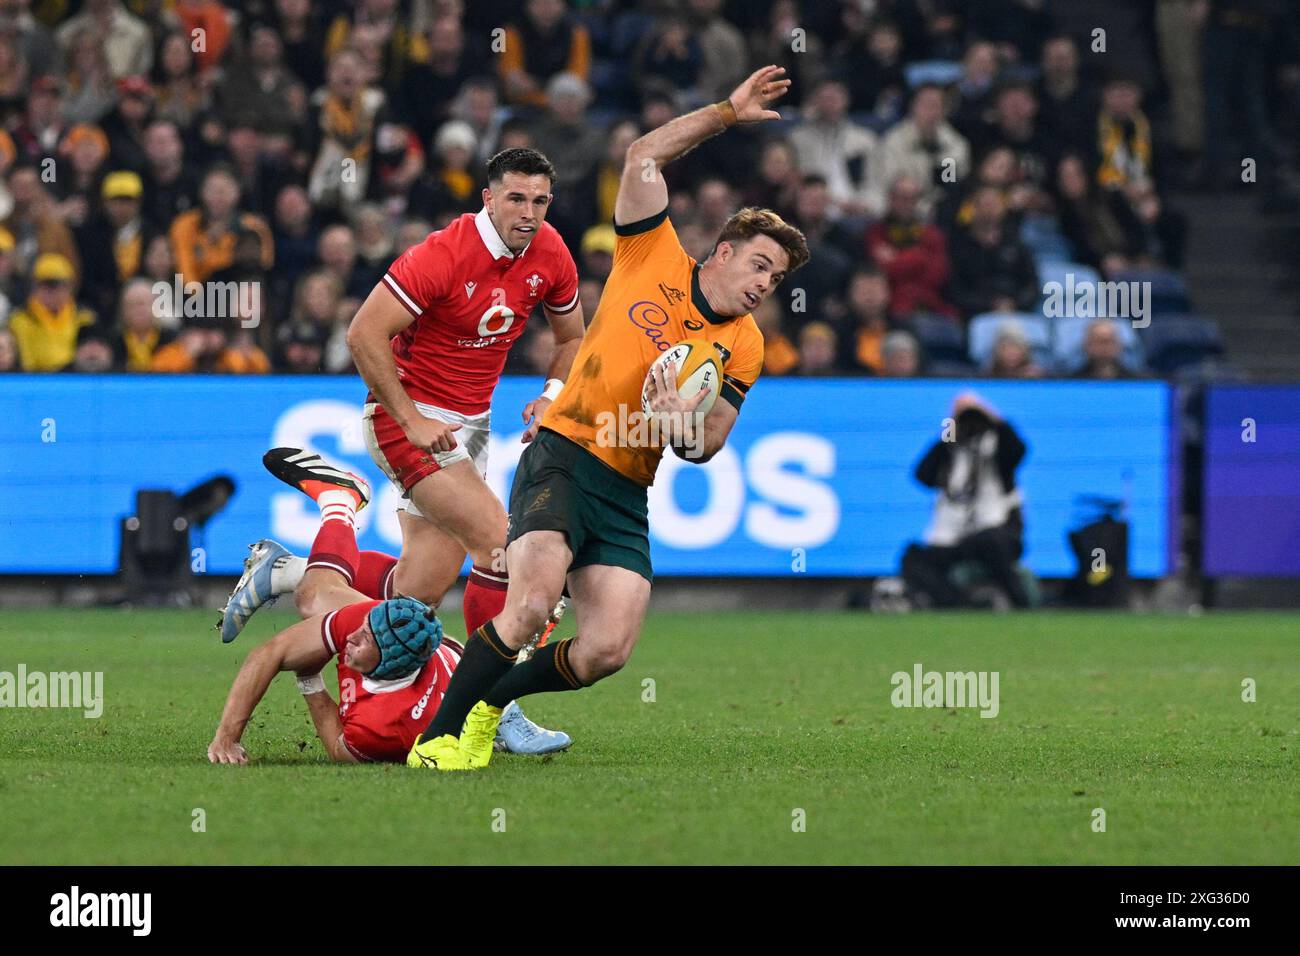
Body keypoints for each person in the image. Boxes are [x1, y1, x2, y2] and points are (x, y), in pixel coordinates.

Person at [407, 65, 810, 772]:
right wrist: (726, 111)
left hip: (626, 489)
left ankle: (491, 703)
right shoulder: (651, 250)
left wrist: (680, 422)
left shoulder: (745, 344)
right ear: (723, 252)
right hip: (563, 452)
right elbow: (642, 156)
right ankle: (437, 736)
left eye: (775, 279)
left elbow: (709, 445)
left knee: (606, 651)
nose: (762, 284)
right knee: (530, 603)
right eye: (758, 265)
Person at [218, 148, 584, 650]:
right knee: (501, 546)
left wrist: (551, 396)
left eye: (540, 201)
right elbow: (363, 334)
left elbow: (570, 339)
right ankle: (493, 706)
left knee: (414, 595)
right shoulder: (443, 254)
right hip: (406, 418)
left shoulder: (551, 250)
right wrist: (411, 420)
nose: (528, 213)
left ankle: (285, 574)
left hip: (470, 424)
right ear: (489, 198)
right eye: (516, 198)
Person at [208, 455, 569, 764]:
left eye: (363, 639)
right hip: (437, 414)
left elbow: (340, 747)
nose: (351, 638)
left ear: (385, 666)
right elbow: (267, 654)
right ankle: (333, 507)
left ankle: (310, 538)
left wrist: (310, 680)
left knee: (414, 585)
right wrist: (226, 736)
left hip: (449, 414)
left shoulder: (384, 727)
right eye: (365, 625)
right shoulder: (375, 628)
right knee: (323, 597)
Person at [901, 393, 1031, 609]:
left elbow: (1018, 449)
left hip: (995, 532)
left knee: (993, 542)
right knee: (913, 559)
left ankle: (1019, 602)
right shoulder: (950, 450)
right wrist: (950, 426)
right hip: (954, 536)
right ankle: (958, 603)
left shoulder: (998, 449)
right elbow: (922, 475)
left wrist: (990, 416)